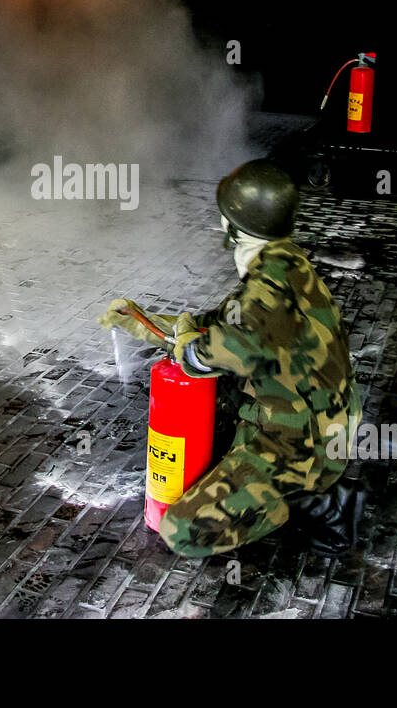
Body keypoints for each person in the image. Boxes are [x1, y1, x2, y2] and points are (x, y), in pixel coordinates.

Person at [98, 160, 363, 558]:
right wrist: (146, 322)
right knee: (219, 401)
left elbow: (199, 356)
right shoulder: (284, 263)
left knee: (182, 531)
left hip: (304, 447)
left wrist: (182, 341)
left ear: (234, 227)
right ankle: (273, 479)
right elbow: (215, 327)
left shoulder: (262, 298)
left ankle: (319, 504)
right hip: (324, 423)